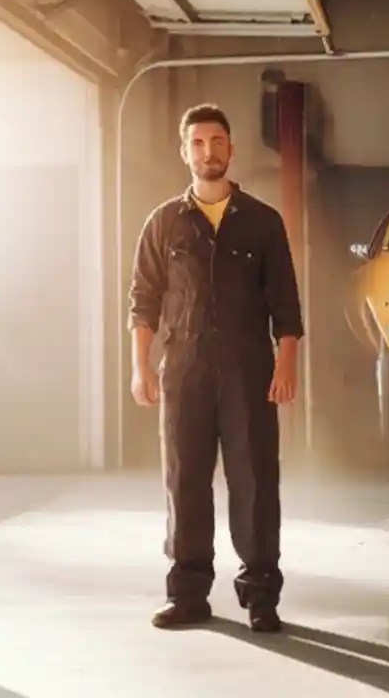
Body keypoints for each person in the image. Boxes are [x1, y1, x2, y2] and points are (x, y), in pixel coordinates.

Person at [127, 104, 304, 632]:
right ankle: (188, 595)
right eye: (198, 143)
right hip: (183, 368)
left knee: (254, 478)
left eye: (217, 141)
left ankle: (261, 598)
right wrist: (141, 367)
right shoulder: (163, 223)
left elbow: (286, 304)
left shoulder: (263, 222)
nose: (209, 151)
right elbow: (143, 301)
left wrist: (286, 362)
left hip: (249, 368)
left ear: (231, 149)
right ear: (185, 152)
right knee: (185, 479)